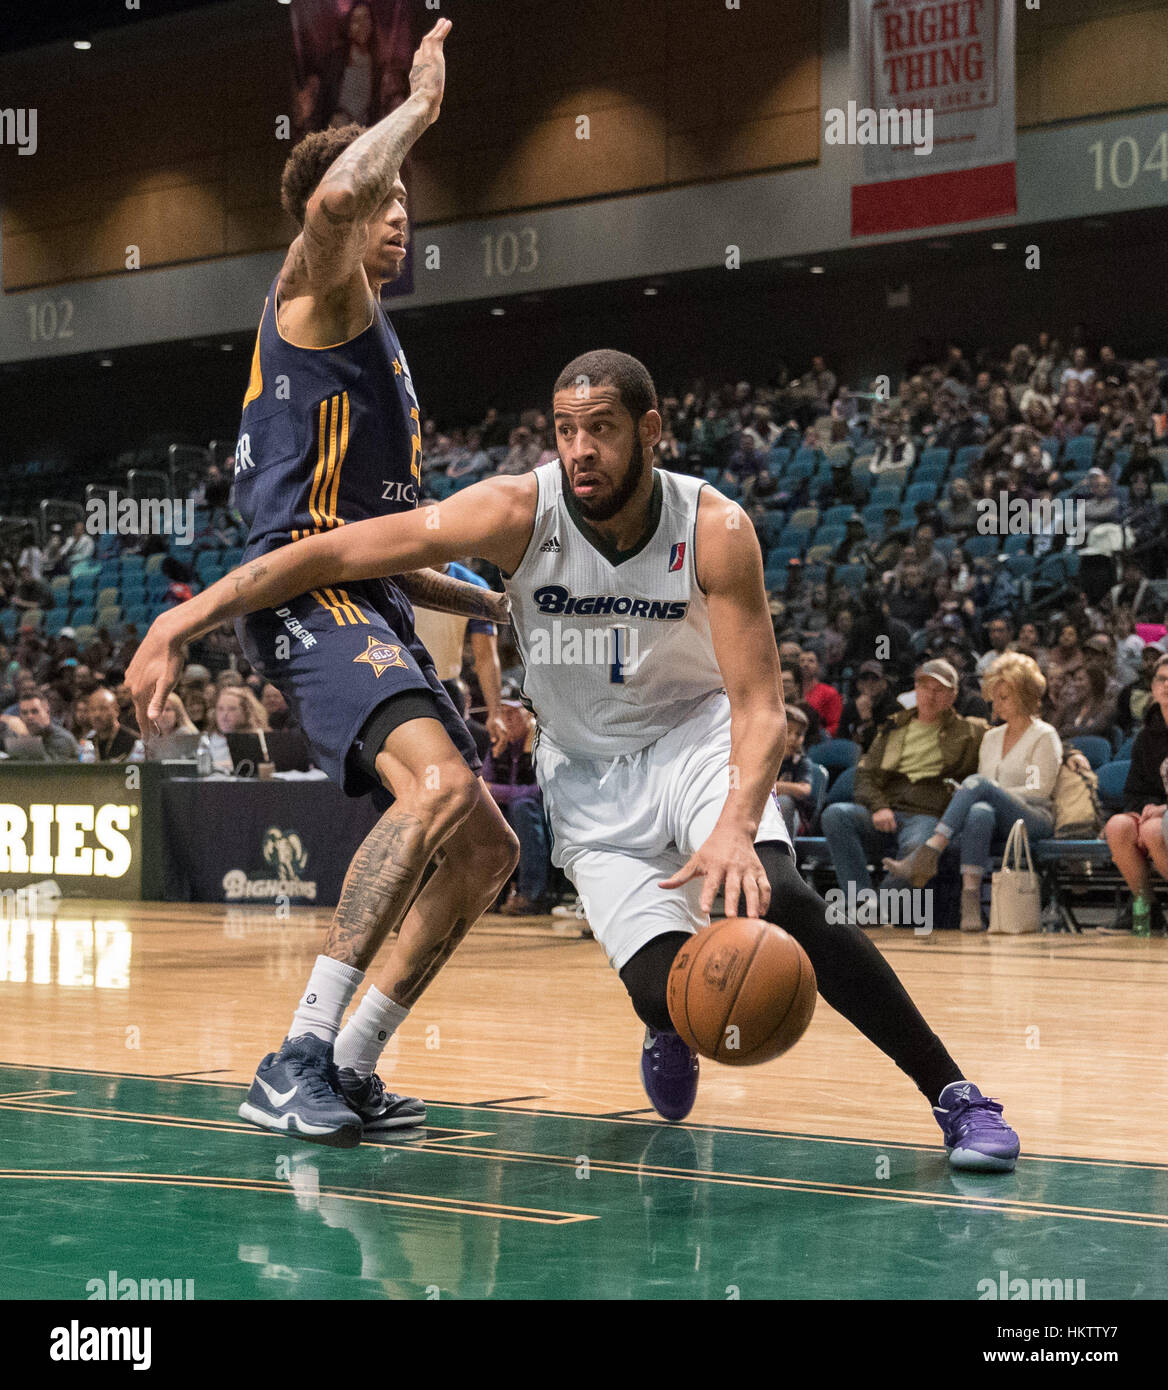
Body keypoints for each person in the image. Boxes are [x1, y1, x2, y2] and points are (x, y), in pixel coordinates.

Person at [131, 348, 1020, 1172]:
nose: (581, 449)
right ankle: (666, 1025)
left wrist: (738, 826)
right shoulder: (517, 510)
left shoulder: (715, 527)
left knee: (784, 902)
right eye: (566, 430)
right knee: (658, 989)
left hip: (692, 741)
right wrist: (180, 619)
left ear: (650, 429)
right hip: (588, 780)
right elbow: (334, 550)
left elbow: (759, 708)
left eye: (601, 428)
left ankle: (956, 1095)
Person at [139, 21, 518, 1149]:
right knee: (439, 792)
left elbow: (385, 544)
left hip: (370, 595)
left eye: (409, 199)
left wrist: (498, 603)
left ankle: (346, 1064)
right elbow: (331, 205)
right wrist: (419, 111)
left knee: (488, 845)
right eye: (386, 196)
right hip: (312, 604)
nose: (399, 214)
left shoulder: (372, 338)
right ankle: (295, 1053)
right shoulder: (316, 299)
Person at [883, 654, 1061, 932]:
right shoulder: (990, 737)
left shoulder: (1043, 735)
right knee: (980, 811)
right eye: (995, 696)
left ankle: (930, 851)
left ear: (1025, 696)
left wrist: (990, 790)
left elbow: (1039, 789)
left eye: (1005, 697)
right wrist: (983, 792)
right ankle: (970, 900)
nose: (996, 703)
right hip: (994, 818)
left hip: (1034, 817)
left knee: (979, 786)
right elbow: (983, 790)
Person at [1101, 654, 1168, 934]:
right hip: (1154, 812)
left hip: (1163, 816)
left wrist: (1162, 810)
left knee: (1154, 830)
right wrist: (1142, 811)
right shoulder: (1145, 736)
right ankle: (1147, 909)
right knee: (1117, 826)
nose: (1167, 685)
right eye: (1162, 679)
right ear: (1152, 686)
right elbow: (1134, 790)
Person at [482, 687, 550, 915]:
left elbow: (538, 791)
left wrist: (501, 792)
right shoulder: (498, 744)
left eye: (512, 713)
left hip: (542, 814)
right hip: (510, 811)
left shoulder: (542, 743)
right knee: (485, 813)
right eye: (502, 713)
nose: (506, 719)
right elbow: (484, 786)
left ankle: (531, 895)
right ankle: (488, 894)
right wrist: (503, 793)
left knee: (523, 808)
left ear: (528, 715)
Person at [836, 660, 899, 752]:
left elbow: (885, 745)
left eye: (875, 679)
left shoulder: (894, 709)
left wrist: (866, 718)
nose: (869, 683)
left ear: (884, 684)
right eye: (865, 679)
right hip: (853, 758)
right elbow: (841, 739)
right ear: (858, 685)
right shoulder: (851, 707)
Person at [772, 704, 815, 838]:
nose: (792, 738)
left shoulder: (802, 762)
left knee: (784, 801)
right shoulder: (764, 759)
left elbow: (804, 790)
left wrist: (771, 787)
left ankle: (785, 855)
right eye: (788, 731)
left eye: (798, 734)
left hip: (793, 817)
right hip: (763, 813)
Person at [15, 689, 81, 761]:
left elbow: (52, 769)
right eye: (24, 713)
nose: (29, 717)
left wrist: (29, 742)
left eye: (35, 711)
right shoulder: (17, 736)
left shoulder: (61, 738)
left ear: (47, 713)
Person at [83, 687, 144, 763]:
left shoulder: (134, 743)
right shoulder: (88, 742)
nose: (97, 715)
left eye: (103, 709)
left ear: (116, 710)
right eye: (92, 709)